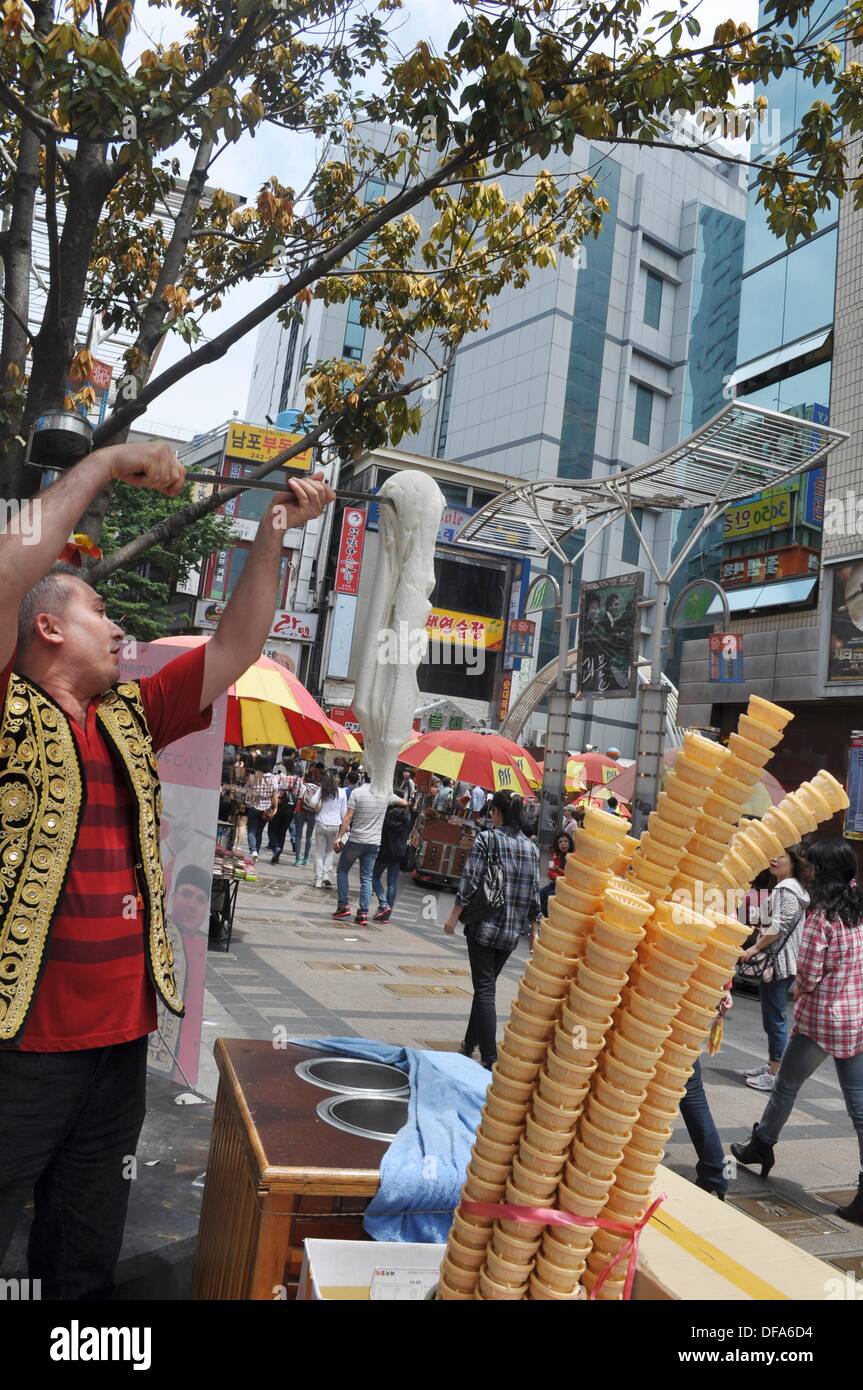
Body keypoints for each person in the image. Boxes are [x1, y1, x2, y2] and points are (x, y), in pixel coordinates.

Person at [0, 438, 333, 1299]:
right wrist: (105, 465)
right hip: (17, 1047)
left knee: (82, 1253)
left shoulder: (131, 715)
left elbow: (236, 645)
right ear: (45, 626)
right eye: (99, 612)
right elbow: (8, 565)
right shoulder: (7, 707)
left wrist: (272, 538)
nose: (119, 628)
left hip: (118, 1047)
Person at [731, 839, 863, 1225]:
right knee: (859, 1110)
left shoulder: (821, 918)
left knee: (786, 1086)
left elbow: (807, 975)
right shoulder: (856, 911)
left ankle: (761, 1145)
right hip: (855, 1020)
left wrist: (800, 988)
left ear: (820, 873)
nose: (806, 870)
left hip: (820, 1022)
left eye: (810, 866)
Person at [444, 791, 541, 1069]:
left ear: (497, 812)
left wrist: (453, 917)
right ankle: (469, 1044)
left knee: (485, 990)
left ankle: (489, 1058)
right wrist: (535, 930)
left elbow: (471, 879)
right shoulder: (532, 848)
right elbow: (535, 893)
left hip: (484, 929)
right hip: (510, 935)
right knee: (485, 988)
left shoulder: (488, 839)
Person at [738, 845, 811, 1092]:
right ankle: (773, 1064)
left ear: (794, 864)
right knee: (773, 1017)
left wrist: (753, 949)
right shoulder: (792, 889)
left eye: (782, 857)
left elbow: (776, 927)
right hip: (782, 961)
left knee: (775, 1018)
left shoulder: (787, 890)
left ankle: (775, 1072)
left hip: (778, 963)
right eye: (775, 854)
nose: (774, 859)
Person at [332, 782, 409, 925]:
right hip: (373, 844)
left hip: (356, 840)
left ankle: (343, 905)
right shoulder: (385, 794)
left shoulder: (357, 793)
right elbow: (404, 802)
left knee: (342, 871)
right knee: (367, 878)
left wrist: (339, 837)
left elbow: (348, 817)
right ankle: (363, 913)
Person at [372, 802, 411, 921]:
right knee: (392, 883)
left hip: (385, 851)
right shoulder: (407, 817)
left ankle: (384, 904)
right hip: (399, 853)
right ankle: (386, 915)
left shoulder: (385, 815)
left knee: (373, 877)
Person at [314, 769, 347, 889]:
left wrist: (320, 805)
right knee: (329, 851)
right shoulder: (342, 792)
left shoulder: (322, 789)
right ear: (336, 778)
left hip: (321, 823)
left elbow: (313, 802)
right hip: (334, 825)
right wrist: (345, 828)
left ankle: (317, 880)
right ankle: (326, 876)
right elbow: (344, 813)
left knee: (319, 852)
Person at [243, 756, 278, 861]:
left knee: (251, 831)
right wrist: (275, 808)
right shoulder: (273, 778)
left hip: (254, 806)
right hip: (266, 809)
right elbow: (275, 795)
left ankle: (253, 851)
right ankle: (256, 853)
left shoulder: (253, 777)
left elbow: (246, 790)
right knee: (259, 832)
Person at [268, 758, 302, 864]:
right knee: (282, 831)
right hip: (290, 807)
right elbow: (298, 794)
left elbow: (275, 791)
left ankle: (275, 848)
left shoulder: (280, 776)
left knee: (272, 829)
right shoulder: (297, 779)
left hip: (279, 805)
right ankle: (278, 853)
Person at [293, 765, 322, 866]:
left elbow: (298, 797)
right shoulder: (319, 788)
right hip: (312, 813)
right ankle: (305, 858)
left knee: (298, 836)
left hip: (301, 811)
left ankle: (297, 859)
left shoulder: (303, 785)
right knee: (309, 836)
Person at [540, 831, 573, 917]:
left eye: (565, 841)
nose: (563, 844)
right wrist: (559, 876)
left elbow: (571, 877)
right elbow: (550, 872)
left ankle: (551, 920)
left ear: (570, 843)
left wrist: (559, 870)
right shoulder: (555, 855)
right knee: (540, 894)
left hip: (567, 888)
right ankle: (543, 919)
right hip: (556, 884)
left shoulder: (574, 857)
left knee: (550, 896)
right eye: (560, 842)